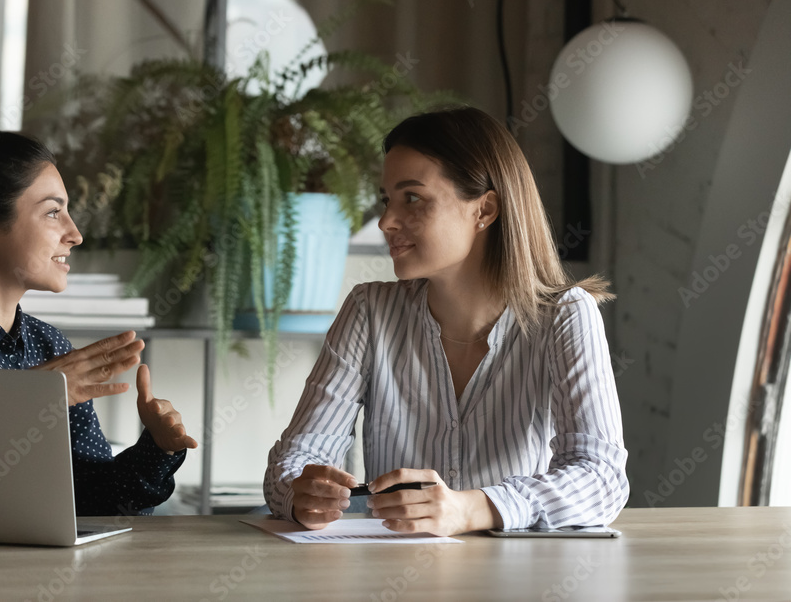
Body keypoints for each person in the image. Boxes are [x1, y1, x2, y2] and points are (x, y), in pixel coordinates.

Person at [264, 107, 629, 536]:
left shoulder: (566, 315)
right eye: (386, 200)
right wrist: (301, 494)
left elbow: (602, 479)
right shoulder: (369, 311)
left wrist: (470, 509)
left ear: (484, 210)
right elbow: (287, 468)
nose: (385, 222)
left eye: (412, 198)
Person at [0, 130, 197, 516]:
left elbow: (94, 501)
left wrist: (157, 448)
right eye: (52, 212)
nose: (74, 234)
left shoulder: (49, 345)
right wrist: (31, 399)